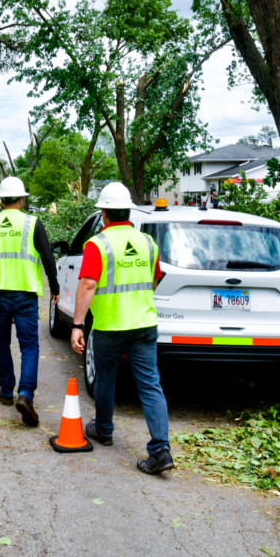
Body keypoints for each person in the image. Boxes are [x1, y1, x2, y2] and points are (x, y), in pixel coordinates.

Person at [69, 182, 173, 474]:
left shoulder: (97, 244)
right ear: (128, 211)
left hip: (110, 326)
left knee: (106, 378)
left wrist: (77, 324)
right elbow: (155, 280)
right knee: (151, 385)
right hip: (144, 324)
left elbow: (88, 284)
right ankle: (161, 449)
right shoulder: (147, 243)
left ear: (104, 213)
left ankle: (103, 429)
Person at [0, 176, 60, 426]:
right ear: (21, 199)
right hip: (25, 293)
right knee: (29, 345)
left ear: (0, 200)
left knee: (0, 342)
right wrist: (55, 287)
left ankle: (6, 389)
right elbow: (48, 257)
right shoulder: (33, 223)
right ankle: (25, 394)